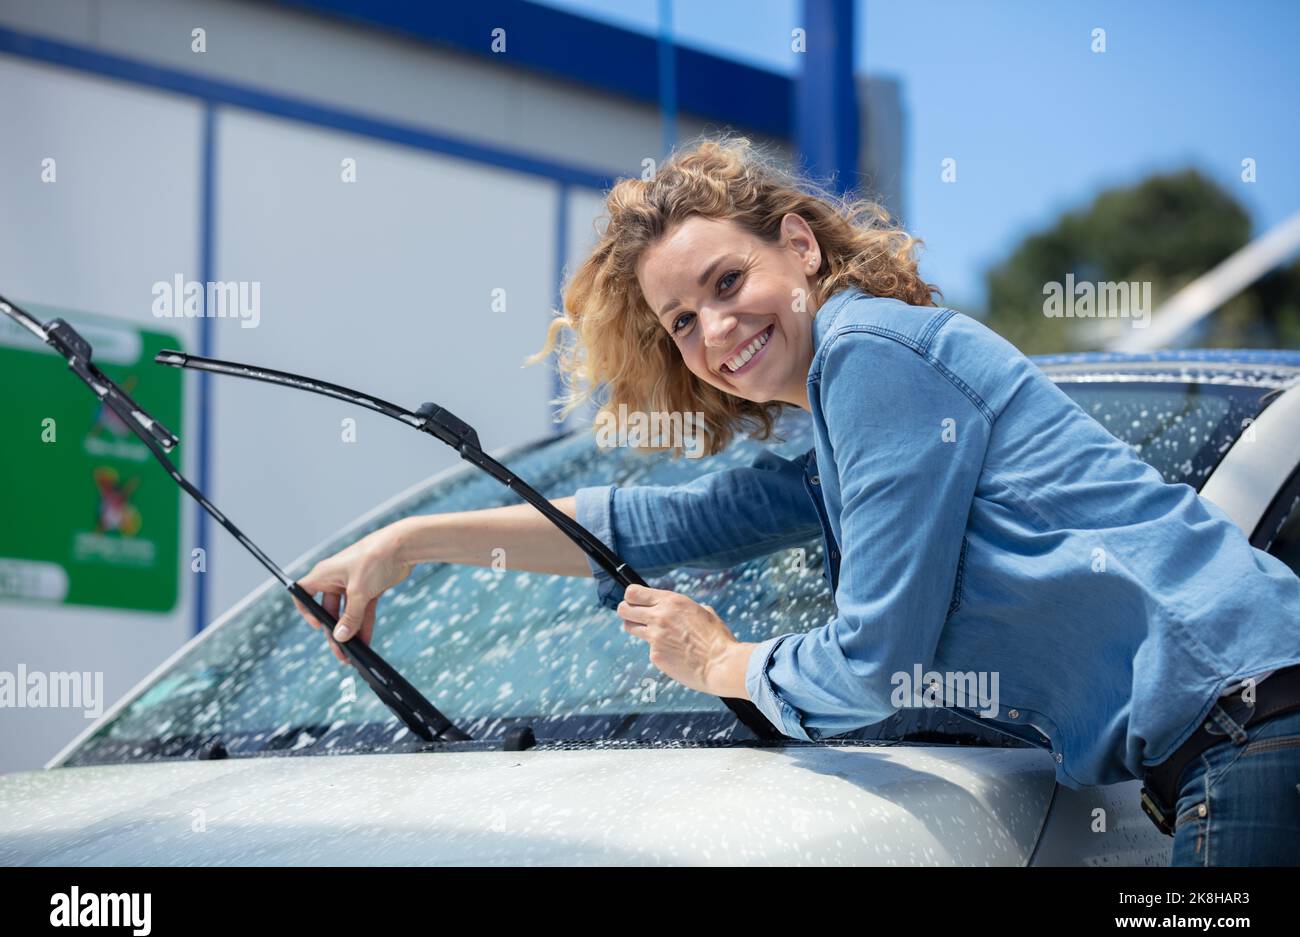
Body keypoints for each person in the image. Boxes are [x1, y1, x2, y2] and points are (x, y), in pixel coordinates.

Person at [293, 135, 1300, 866]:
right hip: (1231, 740)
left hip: (1254, 729)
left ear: (801, 248)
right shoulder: (850, 411)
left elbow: (875, 664)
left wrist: (722, 659)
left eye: (729, 280)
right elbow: (650, 524)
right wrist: (410, 541)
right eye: (682, 319)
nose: (716, 328)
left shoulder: (871, 354)